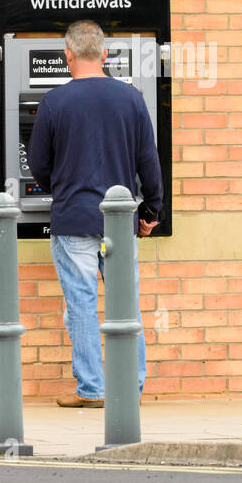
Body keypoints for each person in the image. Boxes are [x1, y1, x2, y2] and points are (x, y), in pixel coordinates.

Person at [27, 20, 164, 408]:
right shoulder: (131, 98)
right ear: (105, 54)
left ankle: (93, 389)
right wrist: (152, 210)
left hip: (73, 219)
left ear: (67, 55)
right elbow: (148, 161)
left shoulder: (54, 102)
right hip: (119, 222)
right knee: (125, 303)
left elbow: (38, 166)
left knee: (82, 305)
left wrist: (65, 185)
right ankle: (130, 388)